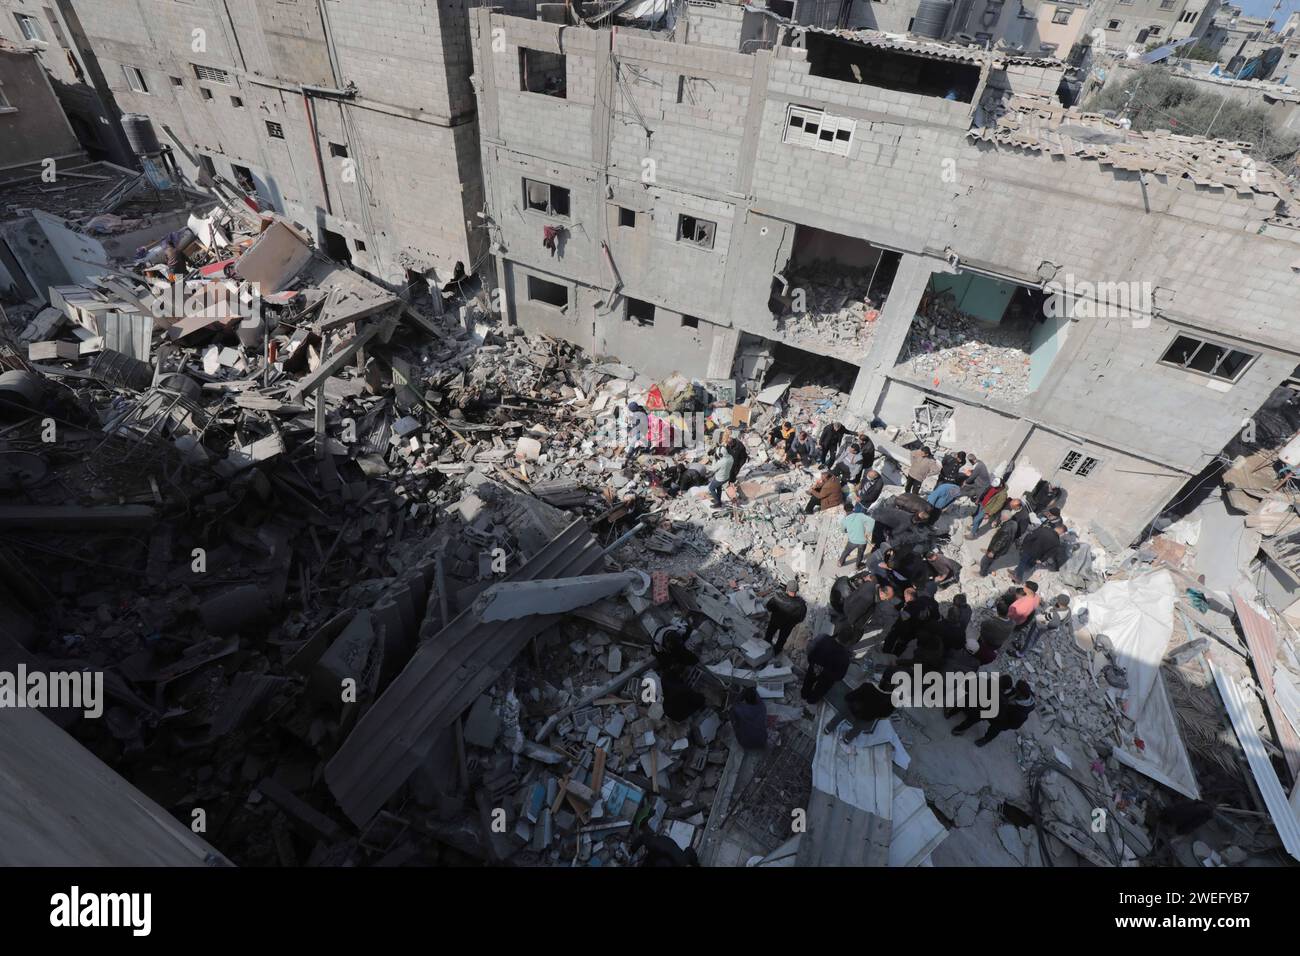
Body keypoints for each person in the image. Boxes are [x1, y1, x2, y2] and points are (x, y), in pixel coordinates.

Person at [953, 679, 1036, 747]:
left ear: (1021, 694)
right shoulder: (1016, 693)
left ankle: (985, 739)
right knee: (978, 715)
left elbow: (1014, 725)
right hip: (997, 708)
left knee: (994, 729)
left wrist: (1002, 720)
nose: (1014, 690)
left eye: (1017, 690)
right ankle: (960, 729)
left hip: (1003, 720)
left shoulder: (1022, 714)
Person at [824, 673, 898, 741]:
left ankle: (829, 728)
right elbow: (885, 714)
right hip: (867, 717)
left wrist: (848, 697)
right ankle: (848, 739)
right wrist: (875, 713)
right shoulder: (892, 700)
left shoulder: (867, 687)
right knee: (858, 729)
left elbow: (850, 696)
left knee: (840, 715)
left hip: (853, 708)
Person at [802, 629, 853, 704]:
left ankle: (804, 694)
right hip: (826, 678)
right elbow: (839, 676)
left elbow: (810, 650)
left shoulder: (823, 638)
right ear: (848, 642)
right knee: (819, 691)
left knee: (808, 681)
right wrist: (825, 672)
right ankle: (811, 700)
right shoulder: (845, 658)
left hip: (815, 667)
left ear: (838, 633)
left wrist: (812, 663)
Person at [1013, 592, 1070, 658]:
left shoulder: (1054, 614)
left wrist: (1037, 618)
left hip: (1040, 625)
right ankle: (1030, 647)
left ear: (1060, 603)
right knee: (1036, 637)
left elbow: (1041, 618)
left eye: (1057, 600)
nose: (1056, 601)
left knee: (1031, 638)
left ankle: (1020, 653)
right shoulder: (1068, 610)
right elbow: (1064, 621)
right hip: (1046, 627)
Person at [764, 582, 807, 655]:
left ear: (787, 589)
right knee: (781, 640)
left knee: (769, 634)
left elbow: (769, 607)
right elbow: (801, 618)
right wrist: (793, 622)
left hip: (775, 621)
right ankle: (775, 652)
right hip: (787, 626)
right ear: (796, 591)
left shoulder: (778, 597)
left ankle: (764, 647)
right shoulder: (801, 605)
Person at [967, 599, 1014, 665]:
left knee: (979, 649)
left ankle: (974, 656)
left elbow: (983, 625)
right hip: (999, 643)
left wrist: (994, 618)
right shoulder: (1012, 623)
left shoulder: (992, 622)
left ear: (998, 612)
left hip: (987, 641)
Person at [631, 825, 699, 866]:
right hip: (661, 847)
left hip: (662, 851)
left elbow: (689, 849)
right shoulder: (683, 860)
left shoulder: (684, 859)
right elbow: (643, 838)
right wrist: (632, 849)